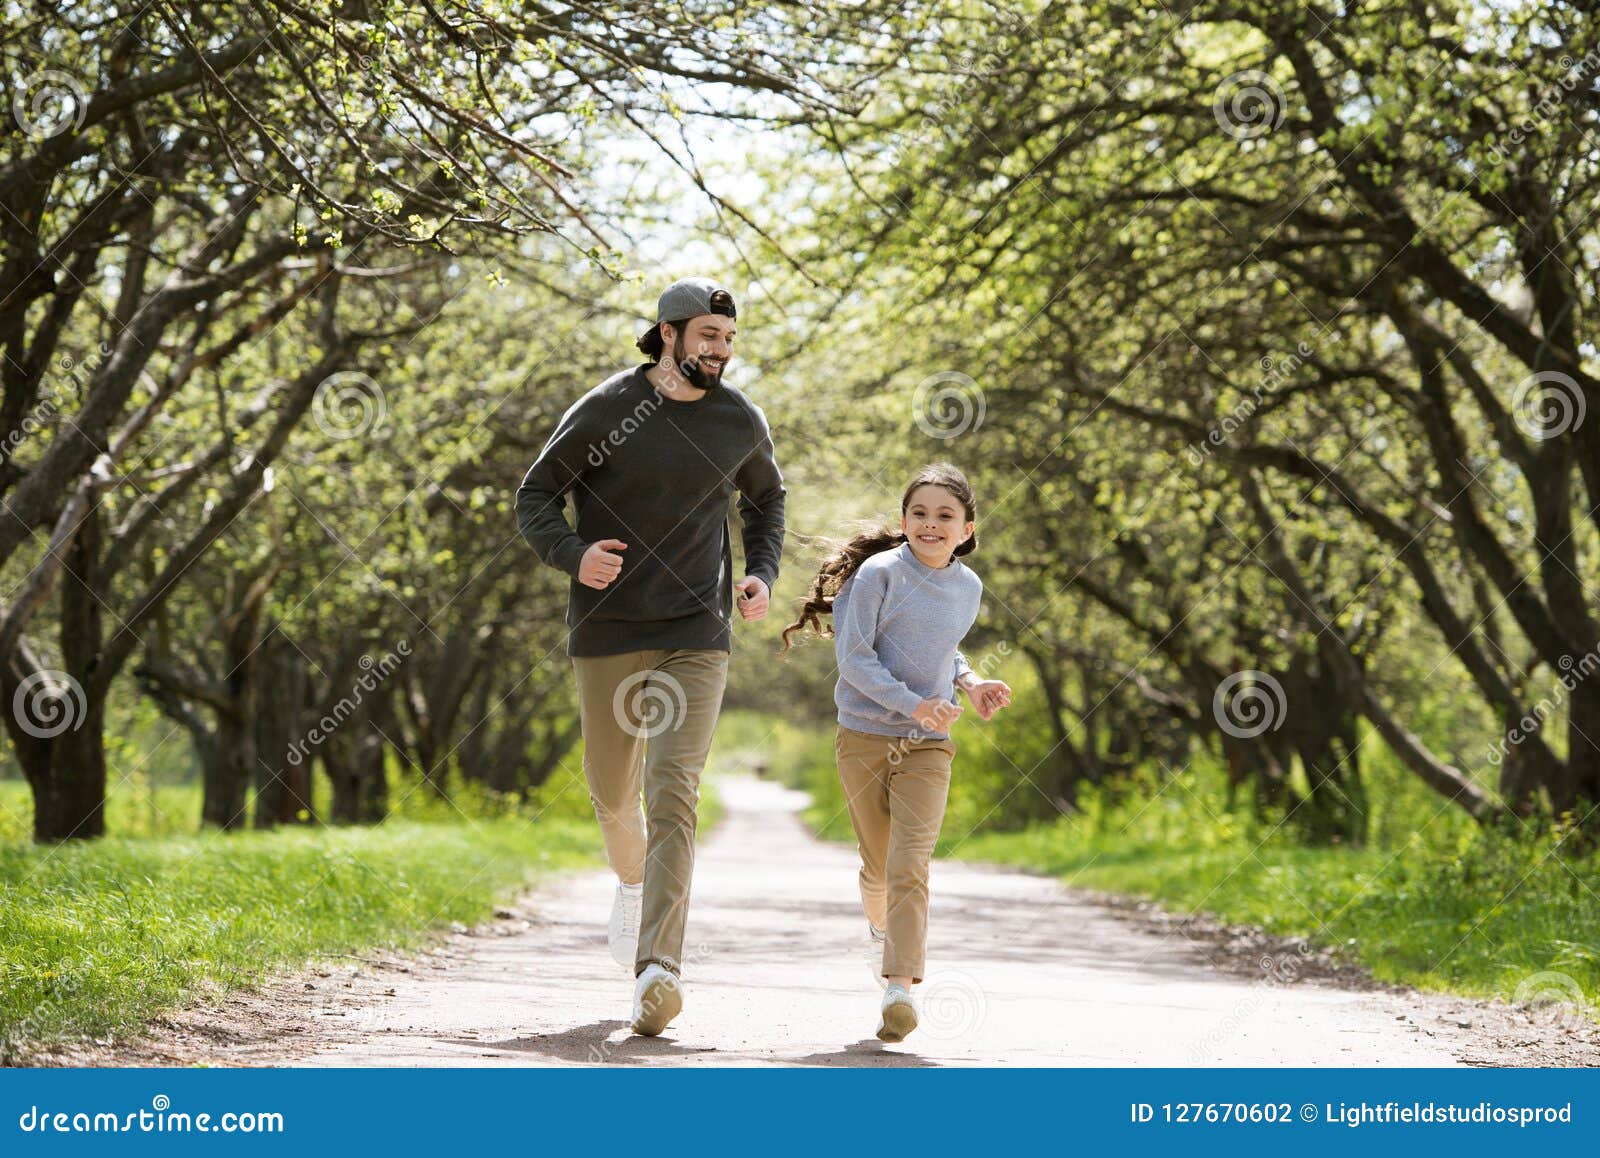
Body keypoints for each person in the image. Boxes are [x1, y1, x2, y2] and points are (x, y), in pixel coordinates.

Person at [516, 277, 786, 1036]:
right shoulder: (606, 410)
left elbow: (768, 500)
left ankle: (658, 969)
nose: (721, 350)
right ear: (666, 334)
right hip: (608, 628)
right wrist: (572, 555)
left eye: (729, 338)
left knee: (675, 793)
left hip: (697, 630)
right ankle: (632, 883)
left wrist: (762, 571)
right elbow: (535, 494)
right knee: (612, 796)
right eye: (707, 335)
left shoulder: (739, 420)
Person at [782, 462, 1009, 1042]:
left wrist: (970, 683)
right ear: (904, 519)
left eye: (944, 516)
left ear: (967, 528)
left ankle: (899, 989)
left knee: (911, 864)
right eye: (919, 513)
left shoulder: (969, 586)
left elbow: (945, 652)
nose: (930, 525)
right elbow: (855, 660)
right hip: (863, 736)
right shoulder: (879, 574)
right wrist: (915, 704)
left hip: (928, 744)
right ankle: (882, 936)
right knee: (879, 867)